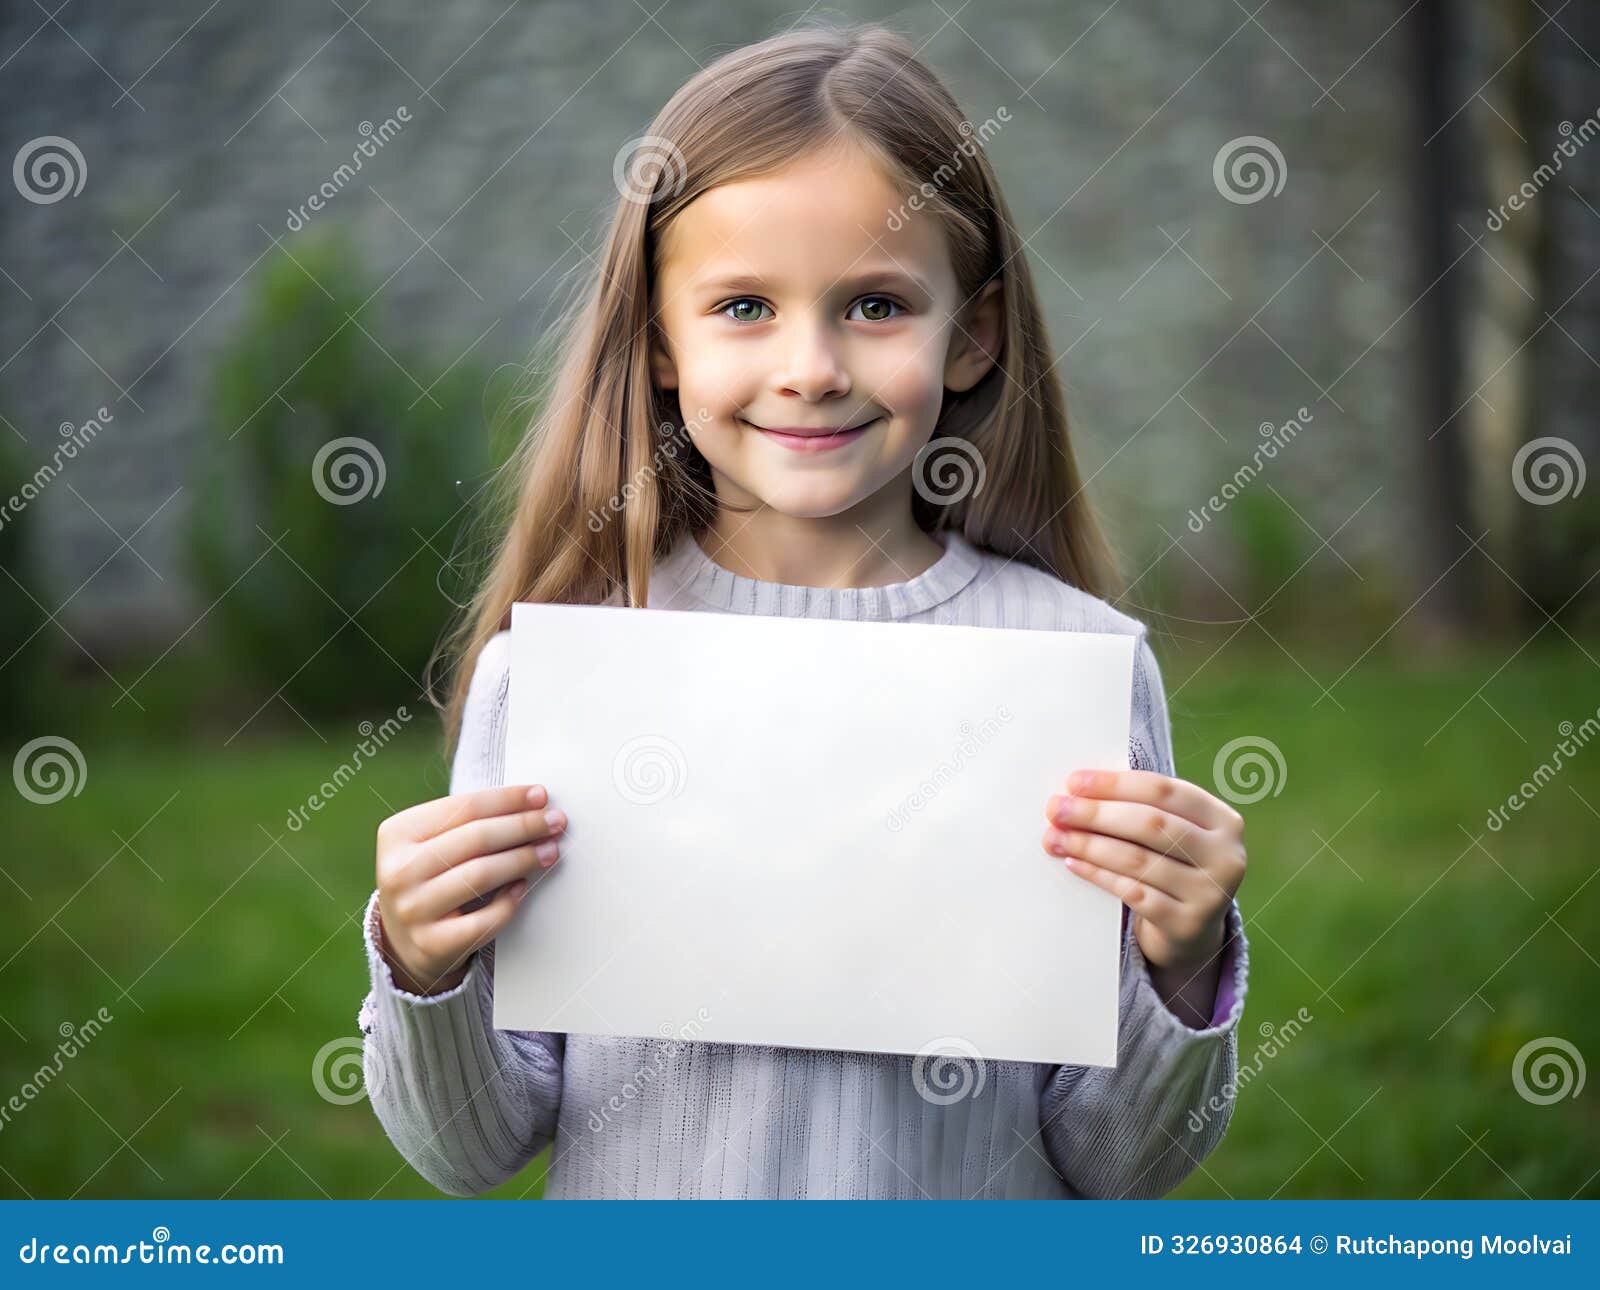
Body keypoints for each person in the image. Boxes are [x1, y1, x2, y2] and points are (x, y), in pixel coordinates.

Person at [358, 20, 1250, 1199]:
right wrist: (422, 967)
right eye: (742, 307)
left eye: (875, 305)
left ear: (971, 335)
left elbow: (1119, 1168)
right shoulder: (565, 680)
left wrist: (1180, 967)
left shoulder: (1073, 667)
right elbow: (470, 1151)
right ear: (660, 342)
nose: (811, 366)